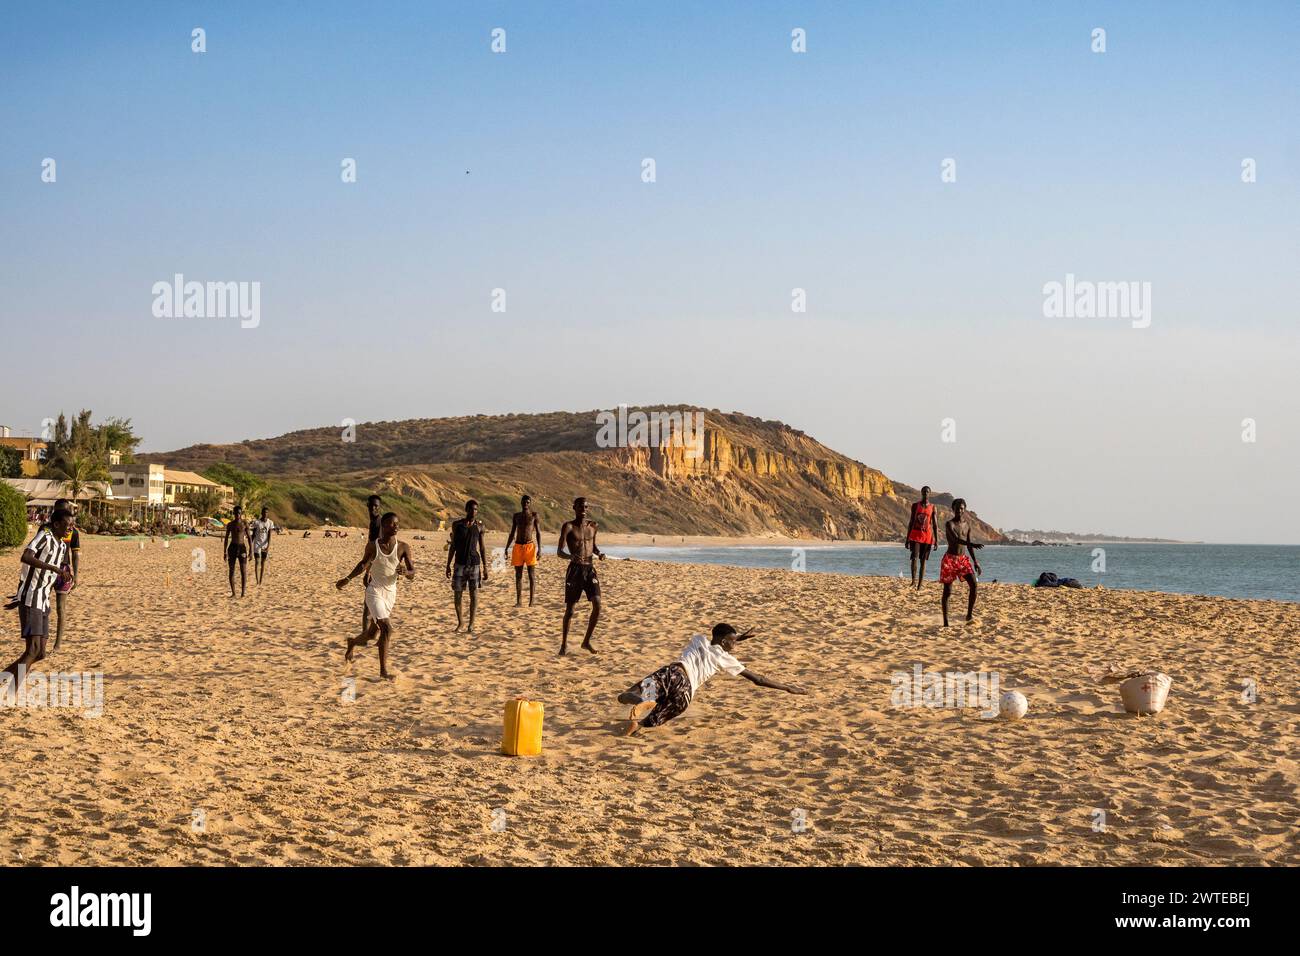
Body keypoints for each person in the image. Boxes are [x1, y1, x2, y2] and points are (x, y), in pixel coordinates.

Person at [616, 624, 808, 736]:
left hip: (674, 674)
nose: (735, 644)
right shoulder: (725, 658)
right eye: (733, 641)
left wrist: (739, 637)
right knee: (649, 722)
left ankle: (641, 701)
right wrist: (787, 687)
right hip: (685, 694)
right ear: (725, 642)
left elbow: (716, 640)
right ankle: (638, 725)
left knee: (627, 695)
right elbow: (758, 679)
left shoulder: (699, 639)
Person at [336, 512, 415, 680]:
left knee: (372, 634)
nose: (396, 526)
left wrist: (406, 571)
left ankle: (352, 643)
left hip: (391, 593)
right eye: (392, 524)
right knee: (387, 628)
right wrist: (347, 579)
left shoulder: (403, 547)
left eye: (397, 524)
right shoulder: (373, 546)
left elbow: (412, 573)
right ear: (384, 526)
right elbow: (363, 564)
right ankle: (383, 672)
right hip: (374, 591)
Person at [4, 509, 72, 691]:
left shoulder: (63, 546)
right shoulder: (45, 536)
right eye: (67, 525)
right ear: (56, 524)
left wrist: (65, 577)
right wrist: (56, 570)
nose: (70, 528)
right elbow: (25, 556)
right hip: (31, 597)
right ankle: (11, 692)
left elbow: (52, 573)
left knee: (40, 653)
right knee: (32, 650)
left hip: (43, 601)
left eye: (72, 525)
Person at [557, 497, 604, 655]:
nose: (583, 509)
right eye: (580, 506)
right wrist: (569, 557)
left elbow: (593, 546)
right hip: (575, 571)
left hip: (590, 569)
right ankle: (564, 644)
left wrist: (599, 554)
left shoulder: (593, 526)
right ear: (574, 508)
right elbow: (559, 551)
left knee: (597, 604)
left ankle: (586, 641)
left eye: (586, 507)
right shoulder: (568, 526)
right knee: (570, 610)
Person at [445, 500, 488, 633]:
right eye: (471, 509)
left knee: (474, 594)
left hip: (474, 563)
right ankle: (461, 623)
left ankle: (471, 624)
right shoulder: (457, 525)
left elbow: (482, 547)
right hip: (459, 563)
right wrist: (448, 565)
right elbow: (453, 546)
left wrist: (485, 566)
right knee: (458, 594)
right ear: (466, 509)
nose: (473, 512)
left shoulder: (480, 527)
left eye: (476, 510)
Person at [940, 498, 983, 626]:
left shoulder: (967, 525)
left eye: (962, 508)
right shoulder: (949, 524)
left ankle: (969, 615)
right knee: (948, 591)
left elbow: (968, 547)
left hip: (963, 560)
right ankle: (946, 622)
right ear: (953, 509)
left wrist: (975, 562)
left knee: (974, 585)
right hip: (950, 560)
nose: (959, 510)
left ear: (964, 510)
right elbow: (956, 540)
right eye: (957, 508)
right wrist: (972, 544)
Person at [46, 497, 80, 652]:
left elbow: (75, 554)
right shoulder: (45, 530)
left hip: (64, 571)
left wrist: (76, 575)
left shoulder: (73, 532)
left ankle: (57, 644)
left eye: (66, 511)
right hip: (46, 570)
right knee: (43, 607)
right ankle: (42, 638)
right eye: (60, 511)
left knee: (61, 608)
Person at [502, 494, 542, 607]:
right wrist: (506, 548)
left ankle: (532, 601)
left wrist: (539, 549)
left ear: (530, 503)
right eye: (524, 502)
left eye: (528, 502)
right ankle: (519, 601)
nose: (526, 503)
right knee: (518, 575)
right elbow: (512, 532)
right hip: (518, 546)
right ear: (521, 503)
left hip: (530, 547)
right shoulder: (516, 516)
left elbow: (538, 533)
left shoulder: (534, 515)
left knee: (531, 575)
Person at [904, 486, 940, 590]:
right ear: (921, 493)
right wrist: (907, 539)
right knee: (914, 558)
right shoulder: (915, 506)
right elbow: (911, 522)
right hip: (915, 536)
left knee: (923, 561)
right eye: (924, 492)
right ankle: (913, 581)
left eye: (927, 492)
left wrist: (936, 540)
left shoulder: (933, 507)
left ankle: (920, 584)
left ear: (930, 493)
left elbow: (935, 525)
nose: (925, 493)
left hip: (927, 538)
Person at [360, 494, 383, 632]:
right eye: (371, 505)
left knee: (368, 605)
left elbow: (376, 550)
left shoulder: (377, 523)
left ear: (379, 507)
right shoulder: (374, 522)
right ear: (367, 506)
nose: (373, 508)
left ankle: (365, 635)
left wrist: (368, 571)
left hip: (376, 569)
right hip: (377, 568)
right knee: (372, 604)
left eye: (376, 506)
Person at [223, 505, 253, 598]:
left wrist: (251, 551)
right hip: (232, 548)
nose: (237, 515)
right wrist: (224, 552)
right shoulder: (230, 524)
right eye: (236, 513)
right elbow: (226, 538)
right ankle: (234, 593)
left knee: (243, 571)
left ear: (241, 514)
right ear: (233, 514)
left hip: (242, 548)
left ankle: (243, 593)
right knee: (231, 571)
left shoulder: (245, 524)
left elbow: (249, 538)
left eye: (239, 513)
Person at [250, 506, 273, 584]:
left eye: (266, 512)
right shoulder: (257, 522)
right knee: (257, 562)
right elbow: (253, 535)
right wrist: (250, 546)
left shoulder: (270, 523)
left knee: (263, 563)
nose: (265, 514)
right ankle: (257, 580)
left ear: (268, 513)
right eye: (263, 512)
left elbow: (270, 535)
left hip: (265, 544)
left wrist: (268, 547)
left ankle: (260, 580)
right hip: (257, 544)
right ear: (261, 513)